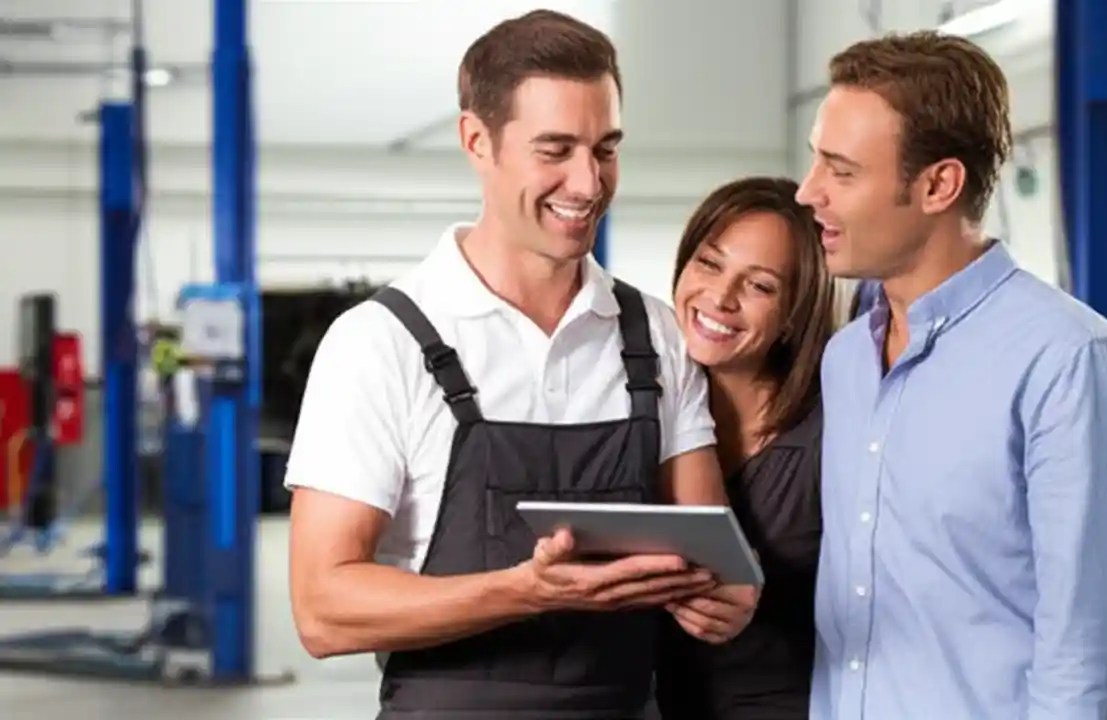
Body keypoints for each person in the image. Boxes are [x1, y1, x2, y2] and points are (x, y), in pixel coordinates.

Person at [283, 10, 757, 719]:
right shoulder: (379, 344)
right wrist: (524, 591)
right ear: (478, 140)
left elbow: (714, 555)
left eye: (605, 149)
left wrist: (730, 597)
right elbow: (322, 610)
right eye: (555, 149)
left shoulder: (652, 335)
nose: (588, 182)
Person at [795, 31, 1107, 720]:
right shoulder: (845, 361)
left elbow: (1088, 659)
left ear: (938, 184)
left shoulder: (1066, 361)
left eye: (841, 172)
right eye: (816, 161)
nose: (809, 192)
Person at [653, 177, 837, 719]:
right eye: (709, 263)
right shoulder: (639, 407)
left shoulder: (833, 435)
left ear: (795, 315)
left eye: (759, 286)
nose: (720, 298)